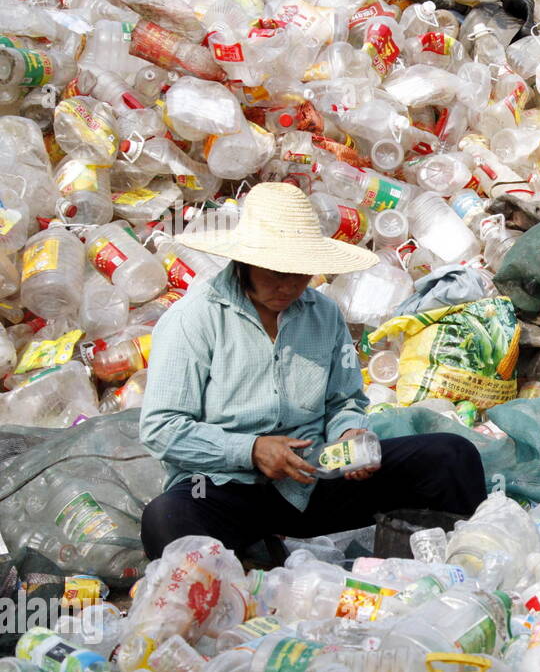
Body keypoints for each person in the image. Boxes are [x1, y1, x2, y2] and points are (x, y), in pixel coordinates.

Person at [138, 182, 487, 562]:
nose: (288, 285)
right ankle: (248, 559)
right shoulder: (193, 319)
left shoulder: (323, 313)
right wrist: (251, 450)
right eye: (276, 272)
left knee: (451, 456)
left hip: (313, 481)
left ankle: (467, 565)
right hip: (224, 488)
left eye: (301, 273)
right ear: (245, 262)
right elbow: (162, 429)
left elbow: (344, 400)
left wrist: (349, 434)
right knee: (166, 519)